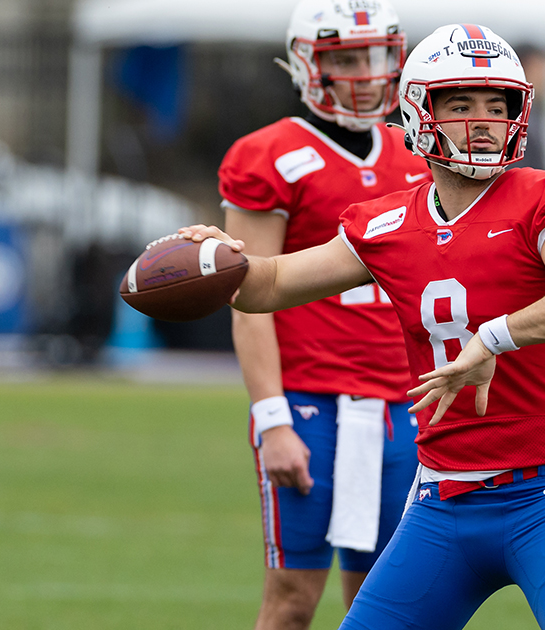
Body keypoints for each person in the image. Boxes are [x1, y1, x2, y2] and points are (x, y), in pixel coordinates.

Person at [184, 24, 545, 630]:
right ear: (421, 113)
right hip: (442, 501)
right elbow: (269, 284)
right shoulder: (387, 223)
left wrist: (495, 336)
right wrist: (218, 258)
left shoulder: (544, 198)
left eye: (497, 105)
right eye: (462, 104)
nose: (483, 121)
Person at [216, 1, 423, 627]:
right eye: (348, 59)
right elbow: (247, 298)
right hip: (311, 402)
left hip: (399, 405)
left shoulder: (416, 152)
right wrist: (272, 417)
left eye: (378, 56)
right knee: (291, 599)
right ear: (307, 64)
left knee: (383, 603)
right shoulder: (269, 155)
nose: (367, 72)